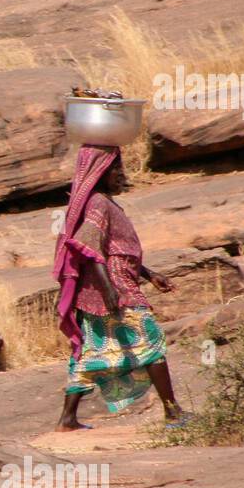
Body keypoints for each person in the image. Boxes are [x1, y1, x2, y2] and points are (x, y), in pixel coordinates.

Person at [52, 145, 187, 432]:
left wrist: (150, 275)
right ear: (100, 172)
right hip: (115, 284)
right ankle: (173, 413)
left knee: (91, 349)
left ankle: (67, 419)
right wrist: (110, 289)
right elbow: (90, 247)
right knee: (151, 340)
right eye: (116, 169)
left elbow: (117, 248)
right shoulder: (98, 203)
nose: (121, 175)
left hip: (116, 281)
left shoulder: (106, 203)